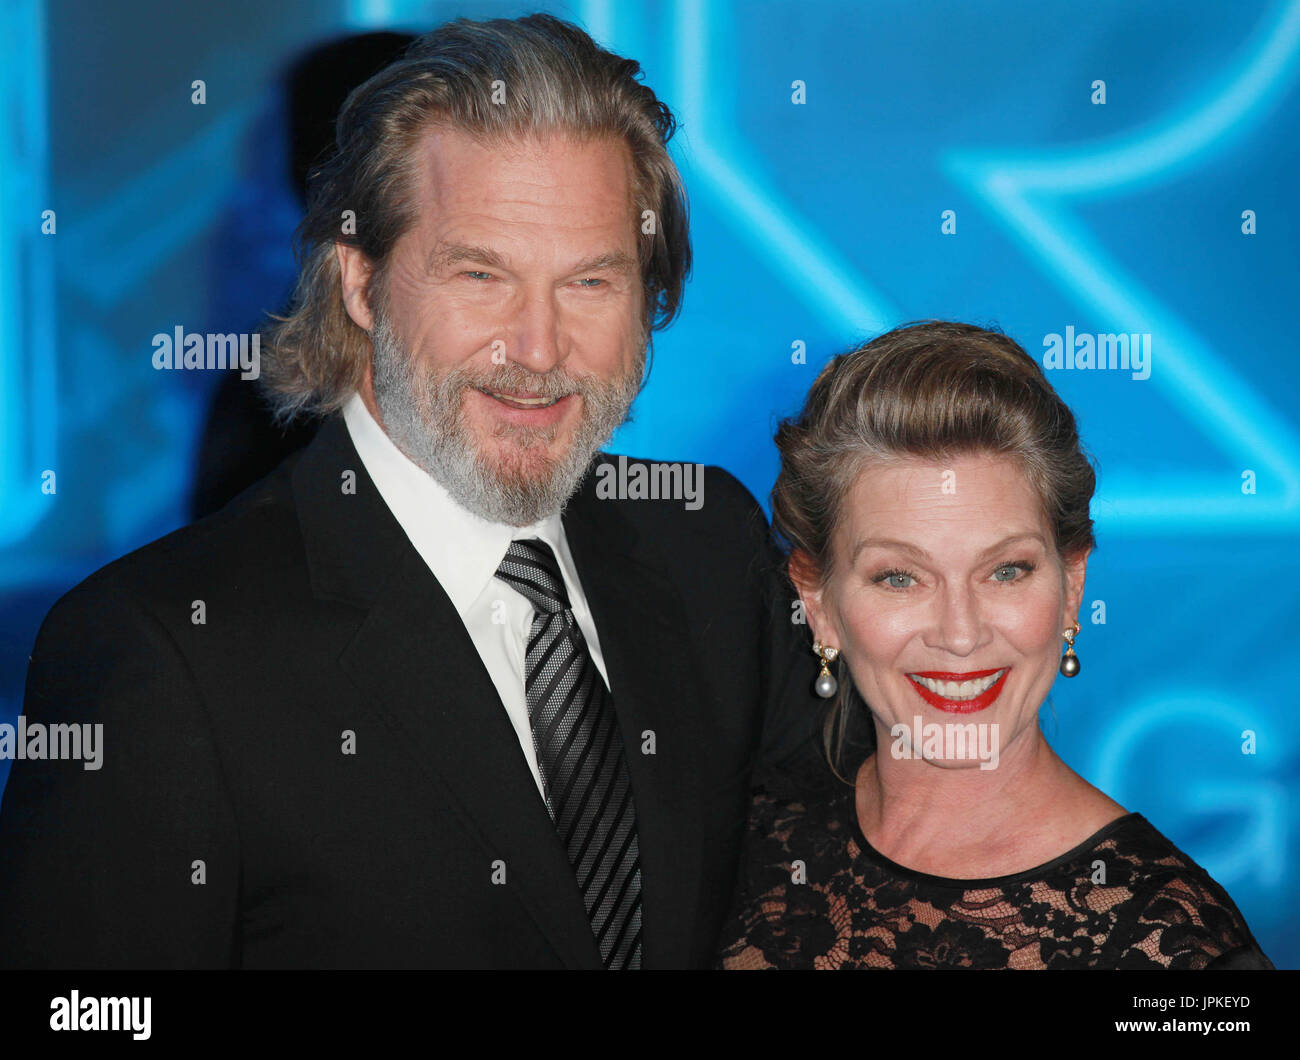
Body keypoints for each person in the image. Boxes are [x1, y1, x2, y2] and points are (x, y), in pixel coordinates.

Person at [0, 14, 821, 969]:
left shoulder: (707, 544)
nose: (540, 350)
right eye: (482, 275)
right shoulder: (159, 650)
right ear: (359, 281)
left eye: (592, 283)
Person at [717, 321, 1273, 969]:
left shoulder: (1174, 943)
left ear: (1071, 586)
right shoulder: (742, 844)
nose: (960, 632)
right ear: (819, 603)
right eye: (900, 576)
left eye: (1005, 570)